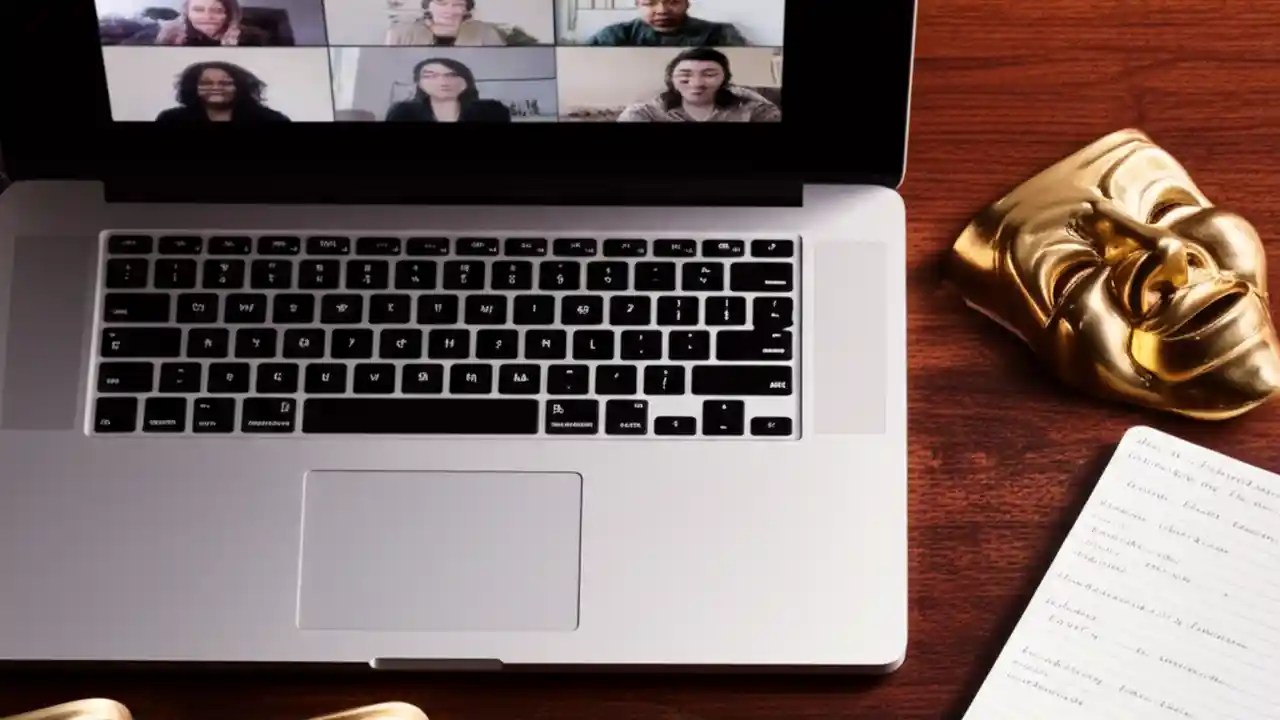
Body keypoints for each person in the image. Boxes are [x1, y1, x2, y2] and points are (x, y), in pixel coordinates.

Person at [618, 47, 780, 122]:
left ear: (725, 79)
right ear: (671, 80)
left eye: (709, 75)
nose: (696, 84)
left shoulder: (755, 111)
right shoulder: (644, 113)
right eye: (685, 74)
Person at [155, 61, 291, 123]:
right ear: (193, 87)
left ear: (240, 87)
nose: (216, 87)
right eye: (206, 83)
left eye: (225, 83)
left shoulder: (271, 119)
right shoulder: (171, 119)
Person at [384, 58, 512, 122]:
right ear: (419, 83)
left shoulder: (492, 110)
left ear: (466, 81)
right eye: (431, 76)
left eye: (451, 75)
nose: (443, 82)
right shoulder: (403, 112)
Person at [587, 0, 745, 47]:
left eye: (673, 2)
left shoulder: (721, 33)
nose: (662, 10)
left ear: (687, 4)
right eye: (650, 3)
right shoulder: (613, 36)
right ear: (638, 5)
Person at [122, 0, 269, 45]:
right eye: (198, 10)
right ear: (187, 13)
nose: (207, 17)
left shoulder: (252, 37)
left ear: (229, 14)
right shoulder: (165, 32)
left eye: (217, 11)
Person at [386, 0, 507, 46]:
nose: (449, 11)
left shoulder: (486, 33)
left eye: (458, 5)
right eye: (441, 3)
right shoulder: (401, 33)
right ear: (428, 5)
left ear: (466, 9)